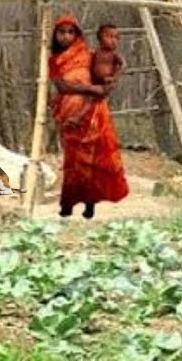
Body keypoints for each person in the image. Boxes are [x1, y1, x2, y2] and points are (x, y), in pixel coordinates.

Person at [48, 15, 129, 219]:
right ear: (55, 35)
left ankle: (89, 204)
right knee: (72, 161)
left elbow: (105, 79)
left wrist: (106, 83)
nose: (65, 37)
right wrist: (90, 88)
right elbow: (62, 86)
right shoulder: (54, 60)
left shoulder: (88, 55)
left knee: (90, 161)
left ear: (77, 35)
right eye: (61, 32)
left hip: (91, 113)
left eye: (70, 32)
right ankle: (68, 202)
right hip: (68, 114)